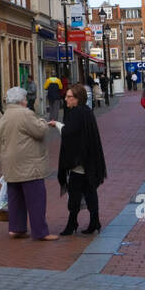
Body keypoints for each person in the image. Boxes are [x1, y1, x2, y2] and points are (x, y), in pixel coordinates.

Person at [0, 87, 58, 241]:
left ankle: (16, 229)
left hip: (10, 164)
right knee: (36, 199)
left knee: (15, 199)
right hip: (29, 164)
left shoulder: (4, 116)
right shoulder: (25, 114)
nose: (26, 101)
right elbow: (39, 131)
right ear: (22, 100)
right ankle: (41, 232)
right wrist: (44, 122)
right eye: (25, 98)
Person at [50, 84, 106, 235]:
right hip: (87, 161)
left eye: (69, 97)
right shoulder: (86, 112)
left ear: (77, 99)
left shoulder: (77, 113)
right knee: (89, 192)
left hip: (80, 162)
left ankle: (73, 223)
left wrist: (56, 124)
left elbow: (69, 133)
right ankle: (93, 222)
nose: (66, 99)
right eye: (66, 96)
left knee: (76, 194)